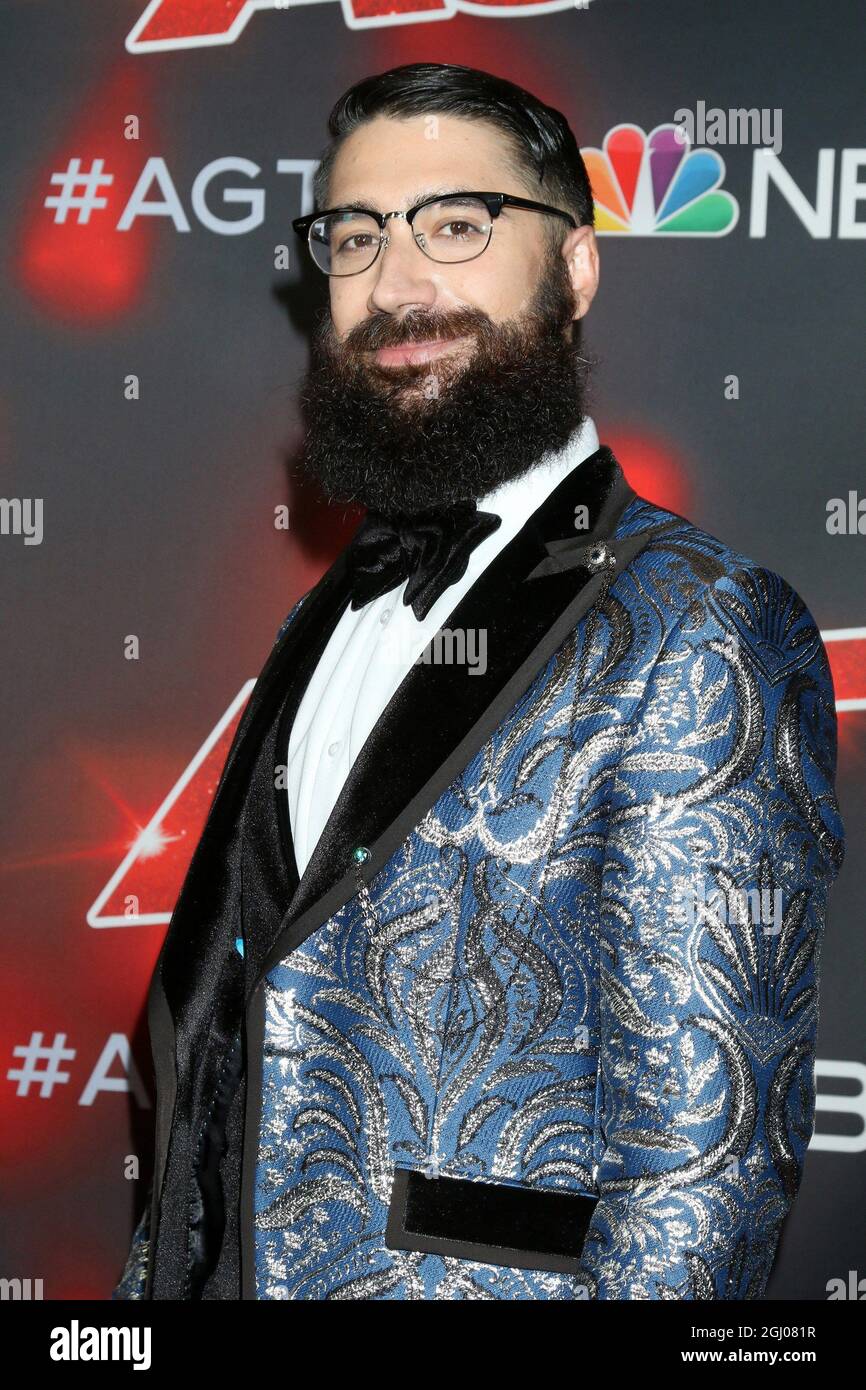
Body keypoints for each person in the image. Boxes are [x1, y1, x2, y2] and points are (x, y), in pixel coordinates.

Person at [113, 61, 845, 1301]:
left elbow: (698, 1195)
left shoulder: (700, 623)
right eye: (356, 236)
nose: (398, 284)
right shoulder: (329, 609)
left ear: (574, 269)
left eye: (456, 225)